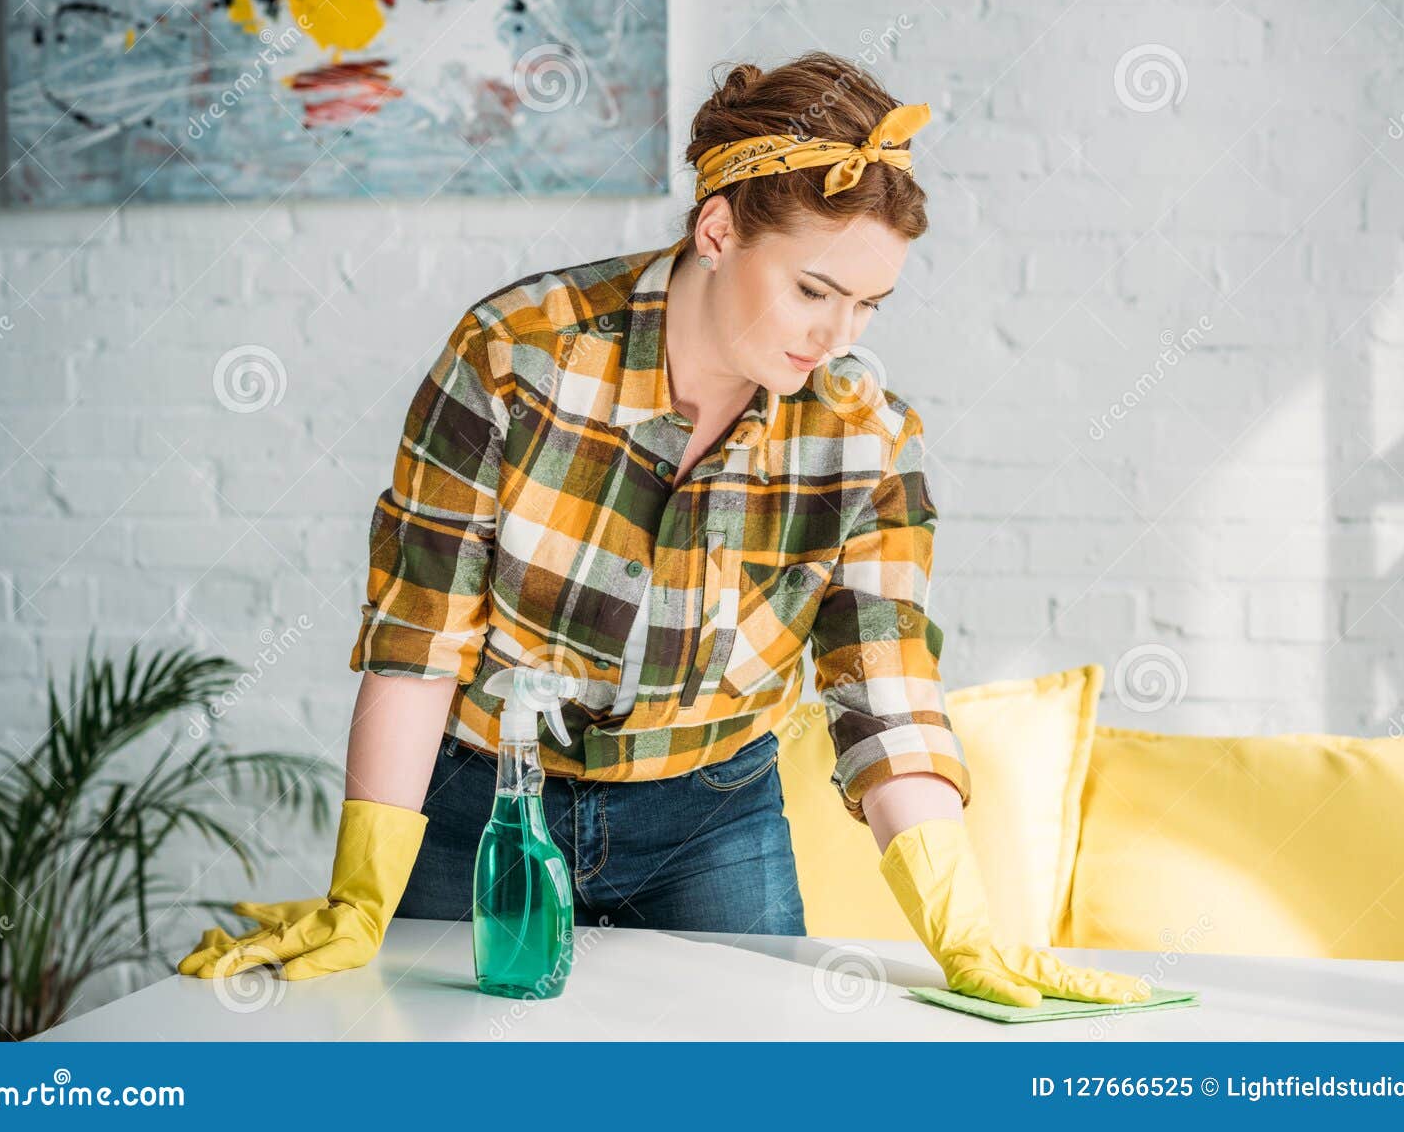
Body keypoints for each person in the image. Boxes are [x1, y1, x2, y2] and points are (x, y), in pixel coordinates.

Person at [178, 51, 1150, 1010]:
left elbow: (881, 689)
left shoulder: (862, 436)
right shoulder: (518, 354)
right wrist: (360, 895)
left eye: (866, 305)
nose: (837, 336)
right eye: (814, 290)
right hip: (483, 806)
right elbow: (417, 641)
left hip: (712, 820)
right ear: (718, 230)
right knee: (439, 1063)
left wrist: (963, 926)